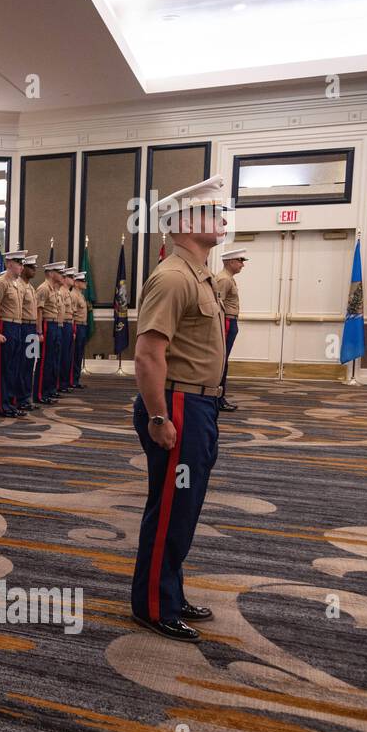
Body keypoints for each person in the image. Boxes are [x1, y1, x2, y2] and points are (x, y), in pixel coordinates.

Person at [131, 176, 232, 643]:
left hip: (199, 405)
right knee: (172, 507)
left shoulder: (200, 275)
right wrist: (157, 417)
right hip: (177, 404)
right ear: (188, 223)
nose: (223, 220)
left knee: (183, 507)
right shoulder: (173, 277)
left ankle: (169, 590)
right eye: (214, 213)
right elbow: (149, 353)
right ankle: (154, 605)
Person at [0, 251, 26, 417]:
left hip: (16, 327)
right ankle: (2, 406)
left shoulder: (16, 283)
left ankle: (10, 403)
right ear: (9, 263)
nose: (21, 267)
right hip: (5, 326)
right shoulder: (1, 282)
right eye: (18, 263)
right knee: (3, 369)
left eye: (22, 263)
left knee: (13, 369)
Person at [215, 249, 246, 411]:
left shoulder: (228, 279)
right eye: (240, 261)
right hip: (226, 322)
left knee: (223, 361)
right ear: (230, 262)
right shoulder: (224, 280)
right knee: (221, 362)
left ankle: (219, 397)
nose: (242, 265)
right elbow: (217, 306)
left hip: (230, 322)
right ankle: (217, 399)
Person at [35, 261, 66, 404]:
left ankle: (48, 391)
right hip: (47, 325)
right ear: (51, 273)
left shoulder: (53, 289)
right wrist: (39, 331)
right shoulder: (44, 288)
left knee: (52, 361)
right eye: (59, 272)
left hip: (54, 325)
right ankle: (40, 393)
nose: (62, 275)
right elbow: (39, 310)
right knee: (44, 362)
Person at [17, 255, 39, 412]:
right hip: (24, 327)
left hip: (32, 329)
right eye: (31, 267)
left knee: (31, 362)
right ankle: (21, 398)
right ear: (23, 269)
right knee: (22, 365)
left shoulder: (31, 287)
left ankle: (26, 396)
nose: (34, 270)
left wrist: (38, 330)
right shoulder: (19, 286)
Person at [72, 271, 89, 390]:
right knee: (75, 354)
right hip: (77, 326)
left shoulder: (81, 295)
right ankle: (72, 379)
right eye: (82, 281)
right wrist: (73, 330)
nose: (85, 283)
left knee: (79, 354)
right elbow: (71, 314)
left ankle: (76, 379)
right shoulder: (74, 295)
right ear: (76, 283)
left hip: (82, 325)